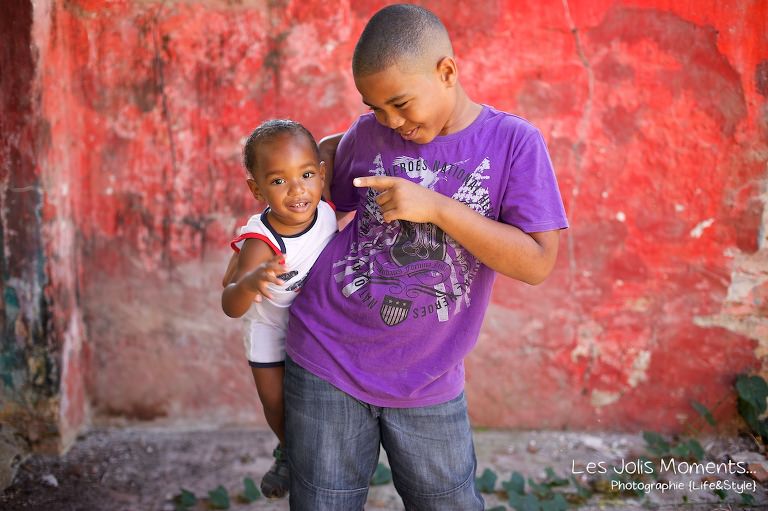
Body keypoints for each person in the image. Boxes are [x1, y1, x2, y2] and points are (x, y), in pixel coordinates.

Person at [282, 4, 570, 510]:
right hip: (328, 354)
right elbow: (320, 198)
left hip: (429, 377)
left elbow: (537, 262)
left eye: (400, 103)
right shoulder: (368, 133)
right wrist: (314, 158)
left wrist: (436, 207)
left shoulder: (512, 143)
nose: (392, 122)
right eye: (376, 108)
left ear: (447, 72)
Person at [221, 119, 337, 498]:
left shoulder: (326, 211)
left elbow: (346, 142)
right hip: (269, 326)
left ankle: (323, 454)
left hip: (312, 323)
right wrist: (248, 283)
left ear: (321, 174)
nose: (297, 189)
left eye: (306, 174)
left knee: (319, 400)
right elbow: (229, 303)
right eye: (278, 180)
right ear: (257, 189)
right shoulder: (262, 242)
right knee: (275, 401)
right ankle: (286, 450)